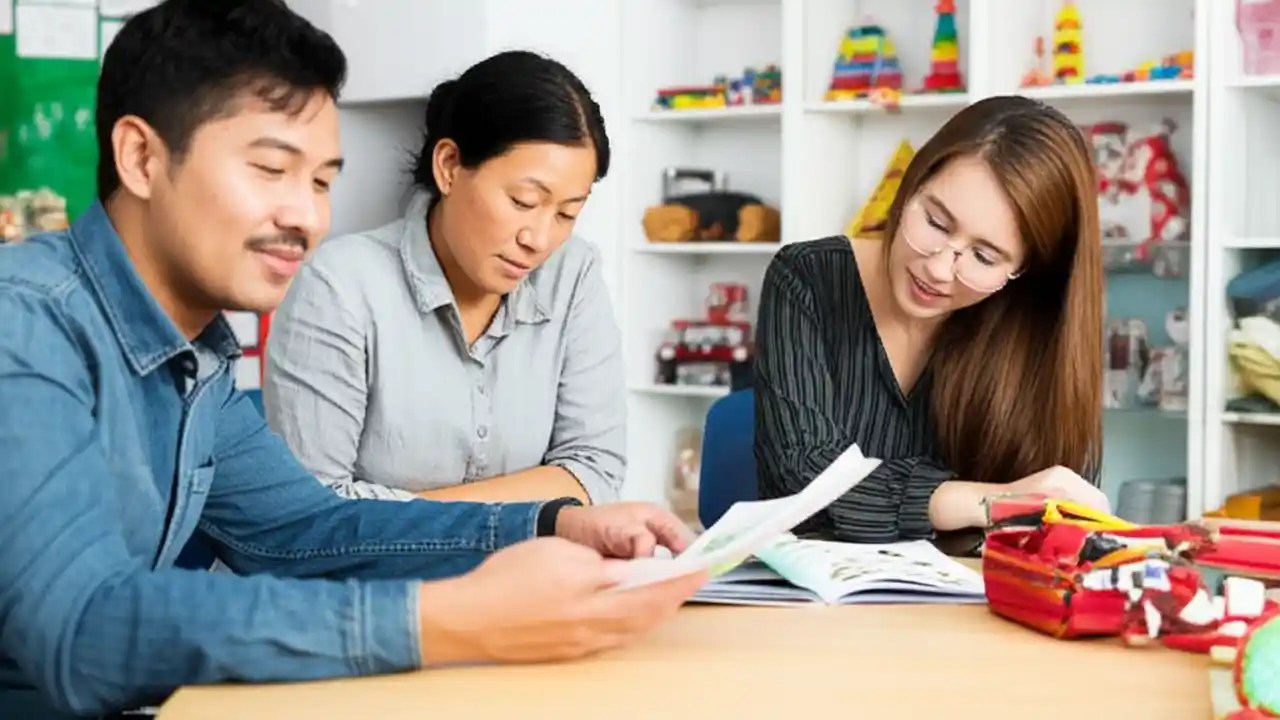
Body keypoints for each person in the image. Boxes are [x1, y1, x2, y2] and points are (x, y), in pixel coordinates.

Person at [0, 2, 704, 717]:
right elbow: (83, 629)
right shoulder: (24, 324)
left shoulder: (197, 360)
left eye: (320, 182)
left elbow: (305, 531)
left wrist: (546, 525)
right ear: (141, 158)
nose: (306, 218)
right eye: (271, 169)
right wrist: (449, 619)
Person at [262, 51, 623, 505]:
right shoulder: (339, 286)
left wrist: (414, 511)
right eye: (523, 202)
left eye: (567, 213)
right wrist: (513, 517)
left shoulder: (572, 273)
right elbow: (313, 511)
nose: (540, 239)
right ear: (449, 166)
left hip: (518, 558)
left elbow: (595, 471)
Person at [753, 96, 1110, 554]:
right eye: (936, 223)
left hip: (972, 596)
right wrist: (993, 501)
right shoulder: (807, 278)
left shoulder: (1035, 332)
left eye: (984, 257)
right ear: (911, 186)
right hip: (811, 594)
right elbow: (803, 483)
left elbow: (1053, 511)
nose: (939, 269)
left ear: (1024, 271)